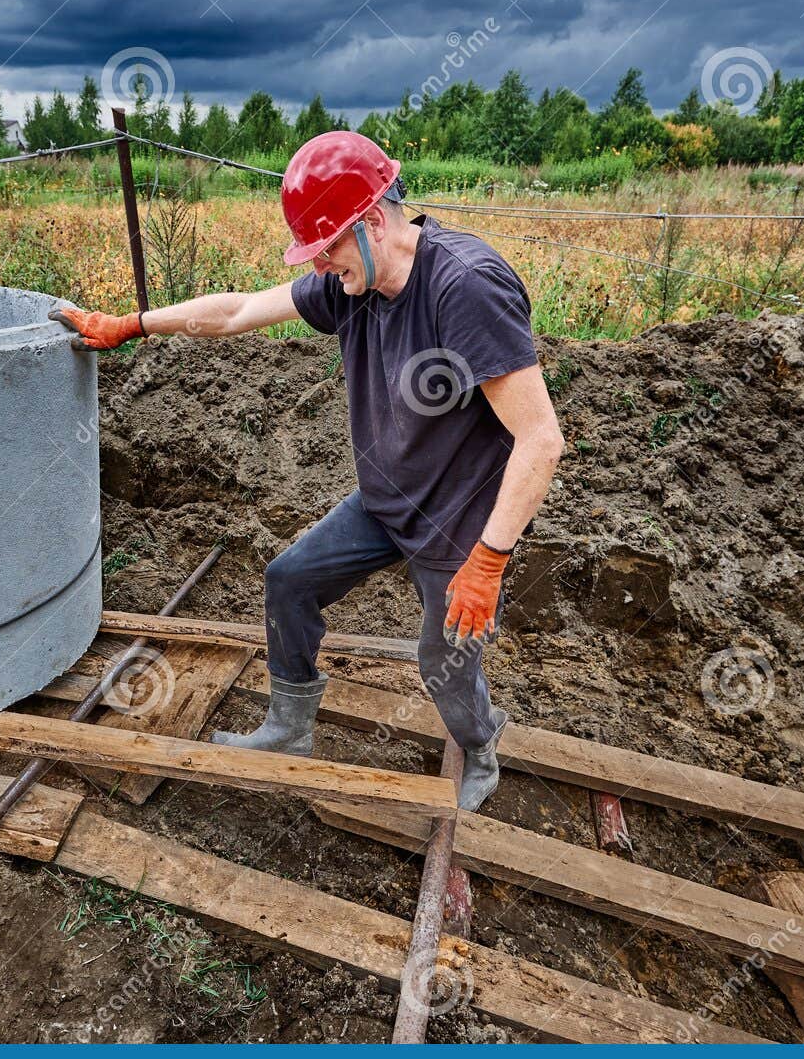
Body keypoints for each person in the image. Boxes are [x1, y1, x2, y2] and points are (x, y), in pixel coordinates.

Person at [50, 131, 563, 811]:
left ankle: (479, 747)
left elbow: (541, 440)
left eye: (327, 247)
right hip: (388, 499)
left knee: (444, 659)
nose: (319, 264)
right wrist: (131, 324)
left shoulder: (465, 287)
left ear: (373, 220)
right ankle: (288, 729)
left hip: (458, 523)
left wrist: (490, 560)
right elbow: (237, 310)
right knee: (289, 580)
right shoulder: (352, 284)